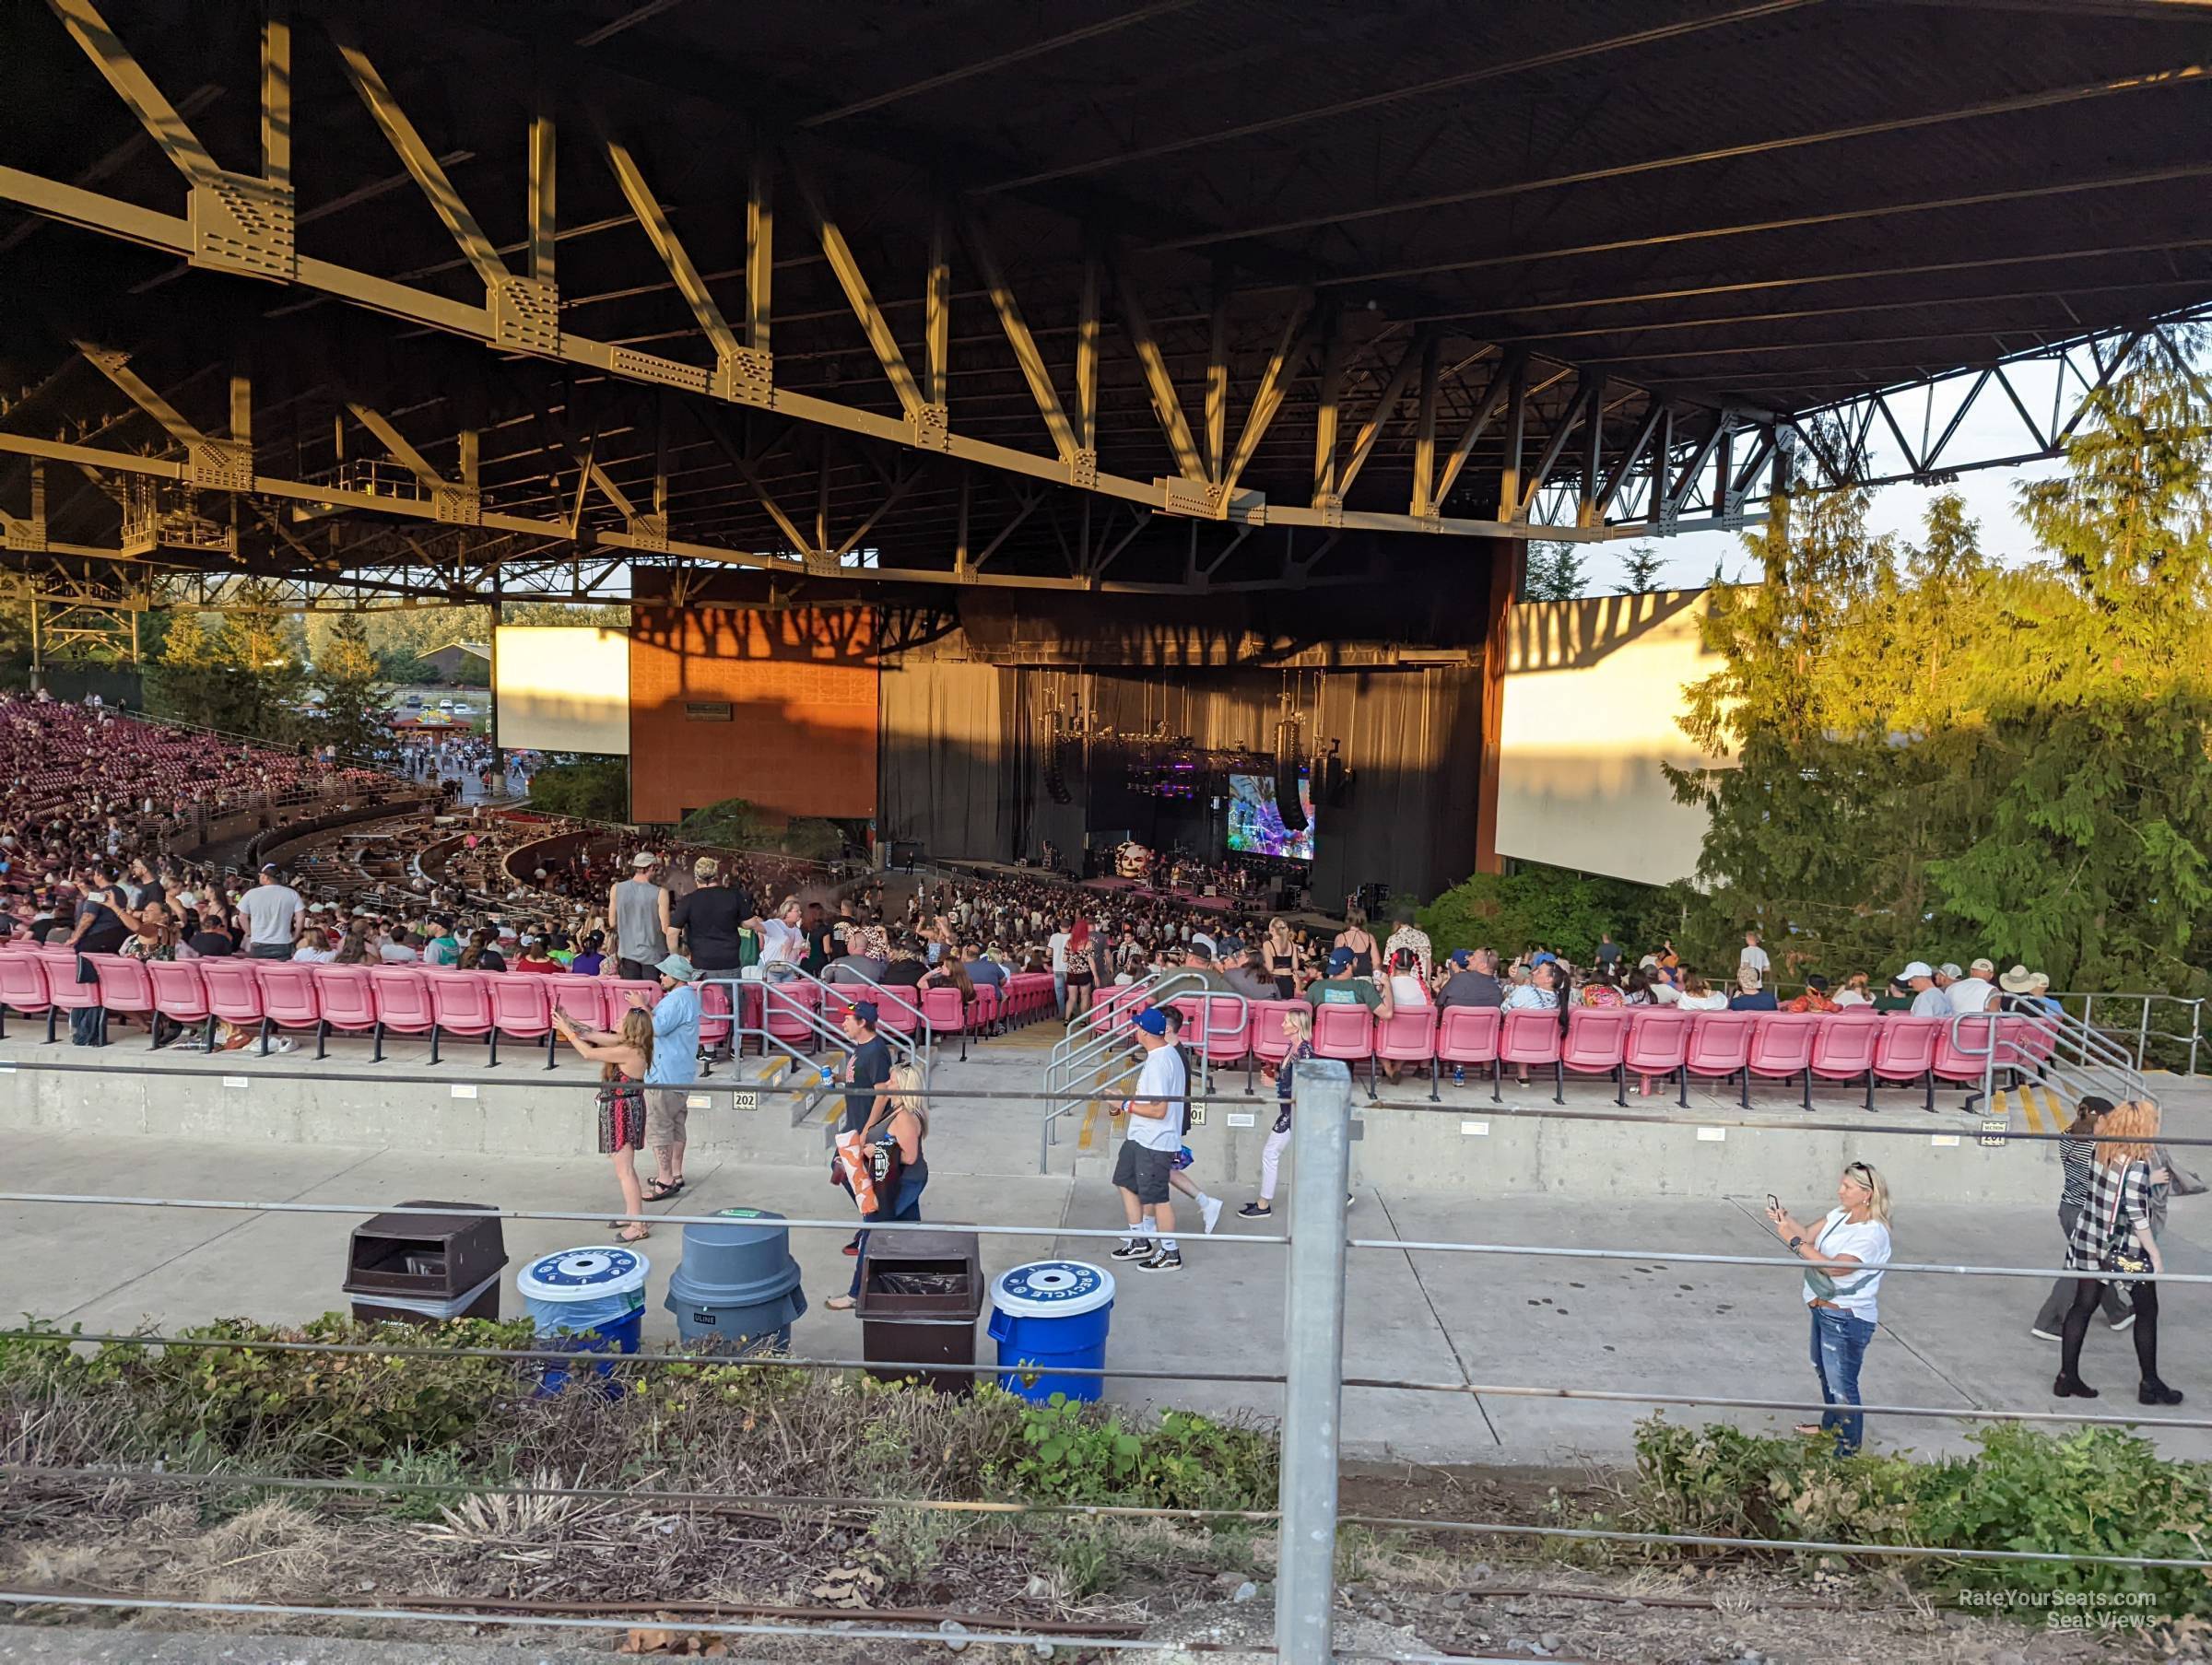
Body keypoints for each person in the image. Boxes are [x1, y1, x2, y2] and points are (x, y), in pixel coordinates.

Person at [2053, 1099, 2181, 1405]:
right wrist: (2155, 1255)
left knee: (2082, 1306)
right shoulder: (2136, 1165)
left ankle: (2066, 1377)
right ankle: (2149, 1382)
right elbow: (2137, 1217)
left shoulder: (2102, 1150)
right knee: (2147, 1311)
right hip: (2124, 1249)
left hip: (2090, 1239)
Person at [1765, 1161, 1893, 1456]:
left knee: (1842, 1385)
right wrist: (1786, 1220)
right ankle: (1830, 1428)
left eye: (1847, 1187)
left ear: (1868, 1194)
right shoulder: (1840, 1215)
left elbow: (1836, 1269)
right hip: (1823, 1309)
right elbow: (1810, 1235)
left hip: (1846, 1316)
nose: (1840, 1191)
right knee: (1824, 1371)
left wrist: (1793, 1241)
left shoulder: (1872, 1233)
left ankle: (1846, 1452)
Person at [828, 1059, 932, 1312]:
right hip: (894, 1180)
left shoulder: (906, 1117)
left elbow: (909, 1156)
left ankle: (856, 1293)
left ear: (903, 1087)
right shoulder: (894, 1108)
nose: (887, 1083)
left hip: (903, 1182)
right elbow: (878, 1133)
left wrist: (878, 1150)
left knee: (872, 1231)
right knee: (908, 1231)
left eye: (892, 1080)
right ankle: (914, 1283)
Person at [2030, 1096, 2132, 1342]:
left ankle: (2117, 1313)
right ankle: (2048, 1321)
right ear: (2103, 1118)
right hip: (2087, 1213)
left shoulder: (2068, 1136)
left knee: (2094, 1264)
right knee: (2078, 1267)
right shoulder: (2096, 1147)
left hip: (2067, 1208)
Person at [552, 1003, 653, 1243]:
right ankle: (632, 1213)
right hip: (621, 1106)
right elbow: (590, 1034)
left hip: (622, 1108)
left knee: (625, 1170)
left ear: (629, 1028)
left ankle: (638, 1224)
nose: (616, 1022)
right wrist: (568, 1019)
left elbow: (588, 1051)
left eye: (621, 1020)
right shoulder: (629, 1045)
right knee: (624, 1168)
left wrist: (567, 1031)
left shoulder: (629, 1051)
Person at [1108, 1008, 1188, 1272]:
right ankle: (1140, 1239)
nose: (1135, 1030)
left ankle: (1170, 1252)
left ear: (1143, 1032)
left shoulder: (1158, 1062)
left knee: (1158, 1197)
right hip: (1140, 1137)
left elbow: (1159, 1110)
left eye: (1137, 1027)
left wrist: (1124, 1103)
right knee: (1125, 1182)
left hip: (1155, 1141)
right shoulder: (1164, 1055)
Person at [637, 954, 702, 1202]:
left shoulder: (676, 999)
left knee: (659, 1126)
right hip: (680, 1072)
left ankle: (664, 1180)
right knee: (676, 1124)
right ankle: (675, 1173)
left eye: (664, 973)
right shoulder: (687, 998)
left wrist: (643, 1006)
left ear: (675, 977)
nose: (660, 977)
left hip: (664, 1075)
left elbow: (658, 1027)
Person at [1242, 1006, 1314, 1218]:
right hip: (1292, 1109)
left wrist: (1274, 1083)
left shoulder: (1304, 1051)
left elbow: (1305, 1085)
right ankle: (1339, 1195)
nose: (1282, 1024)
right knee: (1306, 1158)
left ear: (1297, 1026)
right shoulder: (1293, 1048)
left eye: (1286, 1021)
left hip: (1295, 1111)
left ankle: (1263, 1204)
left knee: (1271, 1153)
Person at [610, 852, 673, 981]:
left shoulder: (616, 888)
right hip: (653, 956)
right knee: (652, 997)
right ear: (651, 867)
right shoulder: (661, 893)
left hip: (627, 954)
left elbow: (612, 922)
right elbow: (665, 928)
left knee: (631, 997)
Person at [237, 862, 304, 960]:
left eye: (260, 875)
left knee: (260, 973)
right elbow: (301, 918)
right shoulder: (292, 894)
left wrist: (250, 934)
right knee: (281, 974)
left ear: (265, 877)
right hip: (283, 942)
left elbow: (242, 917)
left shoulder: (251, 894)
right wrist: (296, 936)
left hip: (258, 943)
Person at [1437, 948, 1504, 1011]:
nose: (1469, 959)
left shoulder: (1458, 979)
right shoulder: (1497, 992)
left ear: (1482, 966)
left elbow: (1439, 1004)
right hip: (1483, 1023)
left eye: (1474, 958)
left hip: (1456, 1022)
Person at [1382, 904, 1432, 988]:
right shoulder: (1423, 936)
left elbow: (1389, 965)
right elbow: (1428, 962)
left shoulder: (1393, 939)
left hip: (1398, 984)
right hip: (1420, 984)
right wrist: (1428, 981)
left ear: (1398, 920)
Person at [1261, 917, 1303, 1000]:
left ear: (1272, 929)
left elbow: (1270, 968)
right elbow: (1295, 966)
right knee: (1286, 1008)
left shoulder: (1268, 944)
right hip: (1288, 981)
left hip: (1274, 981)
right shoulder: (1291, 944)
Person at [1333, 909, 1379, 980]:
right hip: (1366, 979)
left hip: (1347, 979)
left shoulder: (1341, 938)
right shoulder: (1370, 937)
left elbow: (1337, 962)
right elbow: (1377, 963)